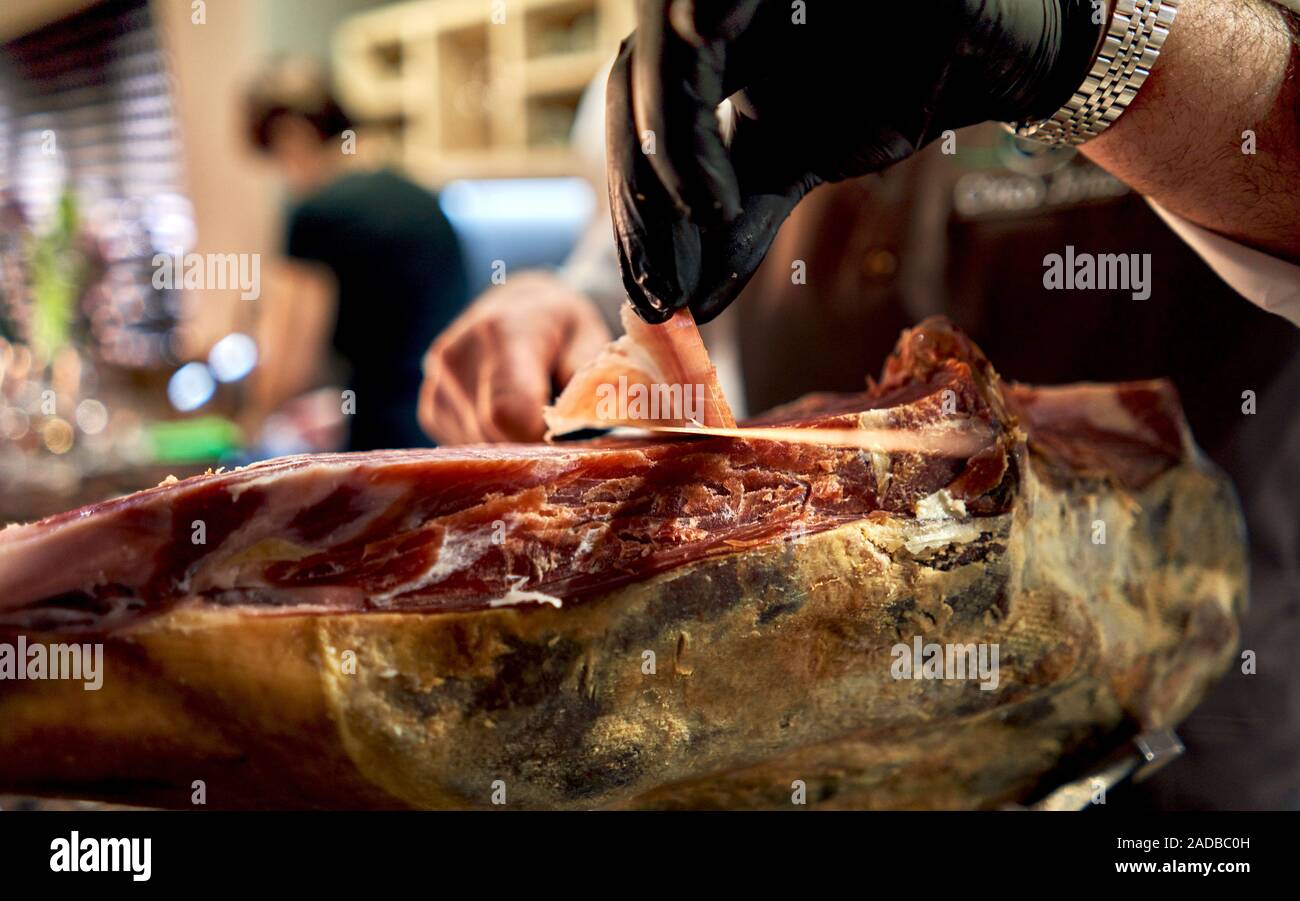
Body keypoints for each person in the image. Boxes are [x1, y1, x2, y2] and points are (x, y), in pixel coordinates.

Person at [418, 0, 1300, 808]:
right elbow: (648, 245)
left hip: (1175, 752)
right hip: (803, 744)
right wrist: (561, 306)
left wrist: (1096, 38)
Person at [245, 58, 469, 451]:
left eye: (277, 160)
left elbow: (286, 370)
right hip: (454, 424)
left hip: (383, 440)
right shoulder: (420, 196)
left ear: (293, 136)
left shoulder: (316, 212)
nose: (285, 178)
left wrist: (247, 427)